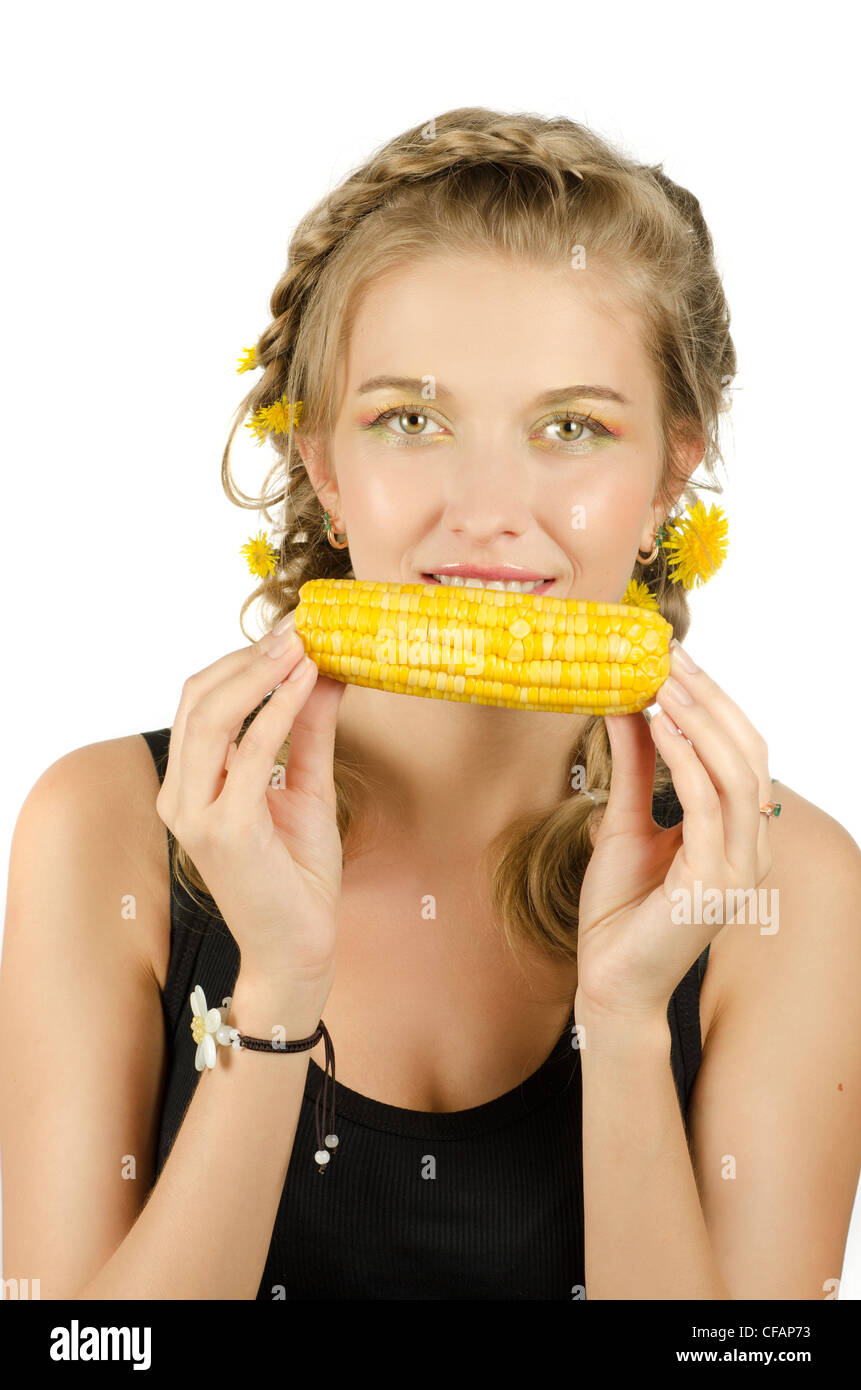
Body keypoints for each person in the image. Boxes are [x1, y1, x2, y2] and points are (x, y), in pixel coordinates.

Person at [2, 106, 860, 1302]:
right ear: (322, 465)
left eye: (573, 427)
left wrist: (621, 1025)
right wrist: (279, 993)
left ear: (671, 472)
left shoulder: (787, 883)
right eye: (411, 418)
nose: (488, 508)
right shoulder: (107, 828)